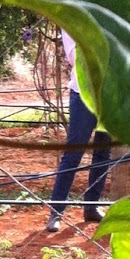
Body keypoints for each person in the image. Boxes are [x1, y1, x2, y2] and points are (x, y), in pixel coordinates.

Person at [46, 32, 112, 233]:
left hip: (108, 94)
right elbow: (75, 56)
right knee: (74, 153)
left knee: (102, 153)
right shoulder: (72, 20)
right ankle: (56, 211)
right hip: (82, 93)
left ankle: (91, 206)